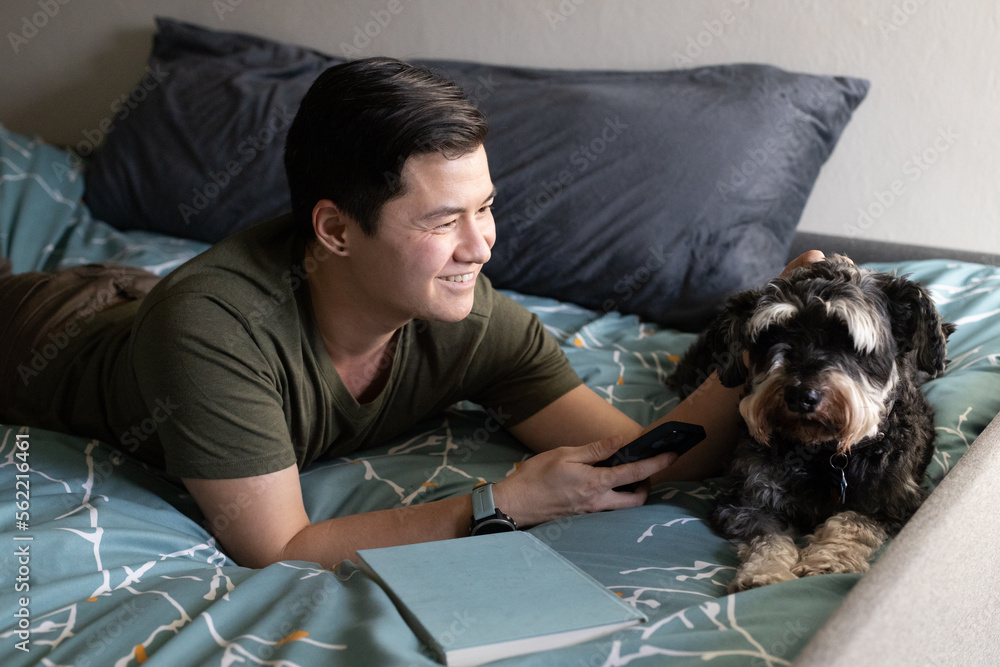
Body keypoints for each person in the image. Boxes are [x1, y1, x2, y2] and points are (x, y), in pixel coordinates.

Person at [0, 57, 822, 569]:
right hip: (43, 330)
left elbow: (645, 460)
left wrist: (769, 337)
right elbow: (279, 546)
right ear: (335, 229)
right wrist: (502, 504)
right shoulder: (214, 331)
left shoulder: (467, 314)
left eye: (486, 208)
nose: (481, 246)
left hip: (134, 296)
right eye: (442, 221)